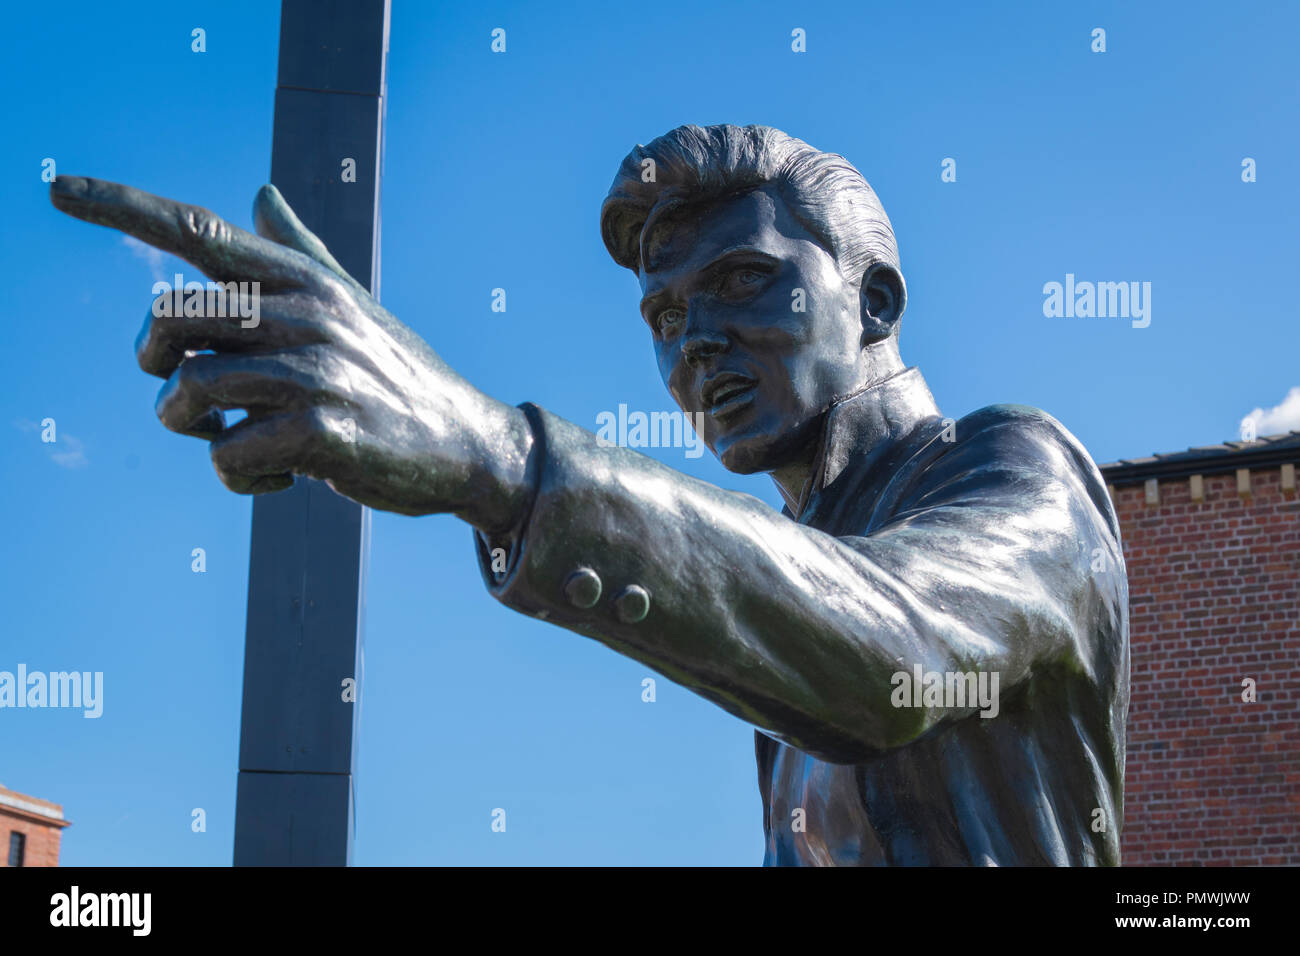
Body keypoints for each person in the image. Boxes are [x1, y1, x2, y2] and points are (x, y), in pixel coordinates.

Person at [51, 123, 1129, 866]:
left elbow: (894, 656)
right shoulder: (791, 580)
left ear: (875, 300)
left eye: (742, 281)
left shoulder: (1016, 467)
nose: (696, 342)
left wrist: (496, 458)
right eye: (663, 318)